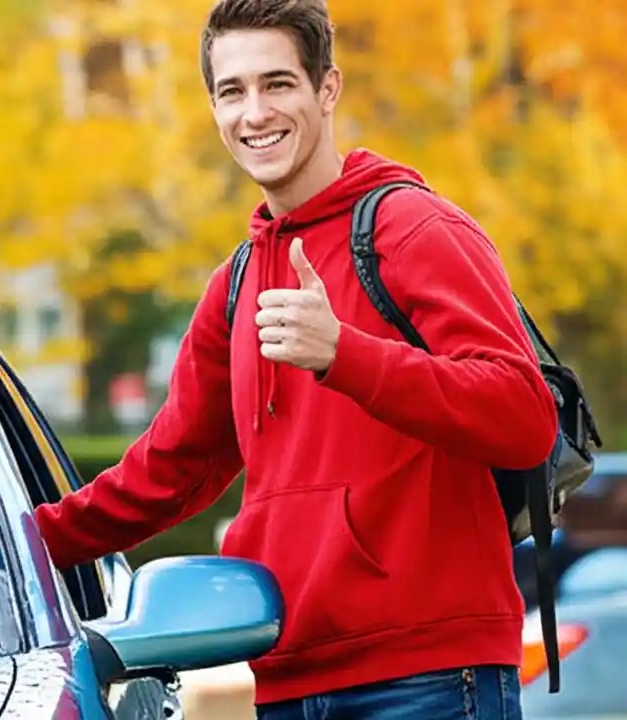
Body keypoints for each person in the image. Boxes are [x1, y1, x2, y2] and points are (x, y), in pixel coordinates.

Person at [34, 0, 559, 717]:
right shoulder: (237, 283)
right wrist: (15, 545)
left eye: (277, 83)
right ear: (215, 110)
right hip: (289, 679)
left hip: (430, 676)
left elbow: (524, 417)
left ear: (327, 88)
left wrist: (345, 354)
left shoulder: (414, 228)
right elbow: (167, 472)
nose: (255, 113)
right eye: (232, 91)